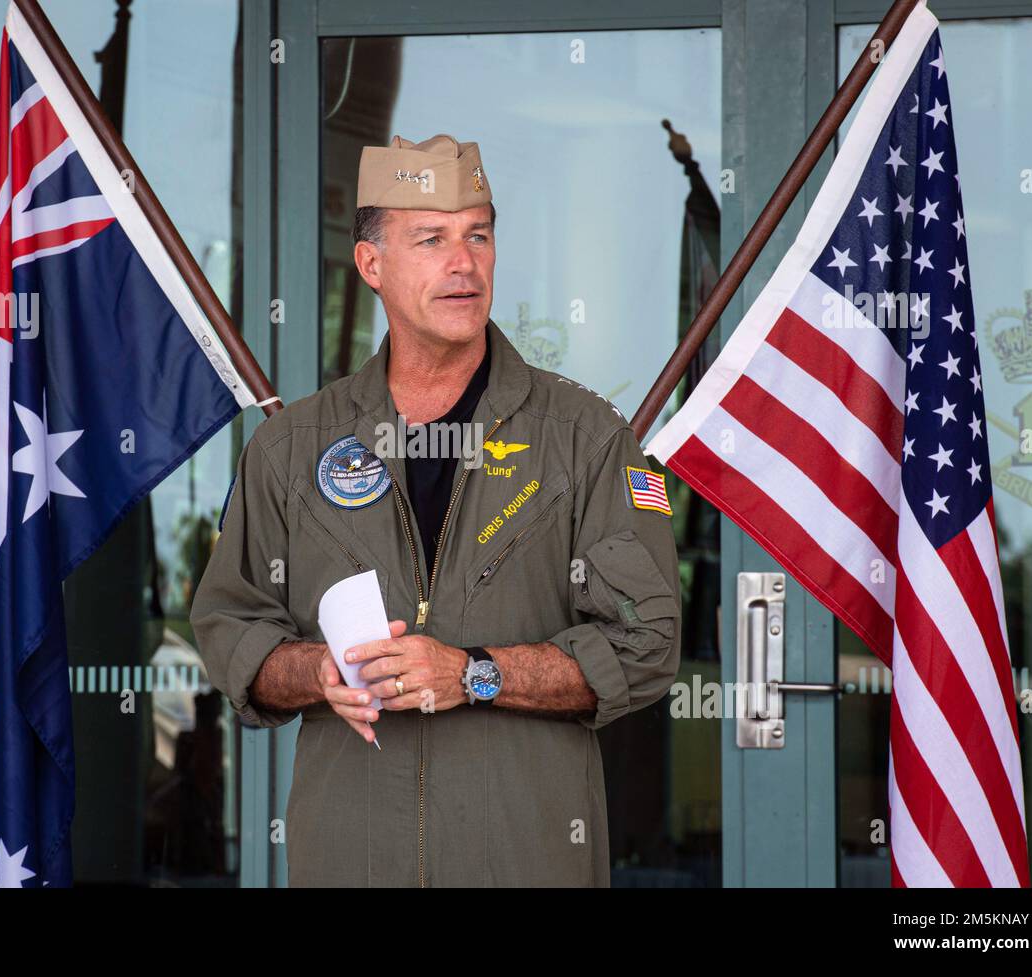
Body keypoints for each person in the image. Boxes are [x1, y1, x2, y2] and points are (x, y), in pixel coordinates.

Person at [191, 132, 682, 886]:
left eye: (478, 236)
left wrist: (476, 674)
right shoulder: (292, 446)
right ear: (371, 265)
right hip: (350, 865)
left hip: (526, 864)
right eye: (431, 239)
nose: (464, 264)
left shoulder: (585, 438)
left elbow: (646, 642)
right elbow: (231, 628)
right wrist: (317, 671)